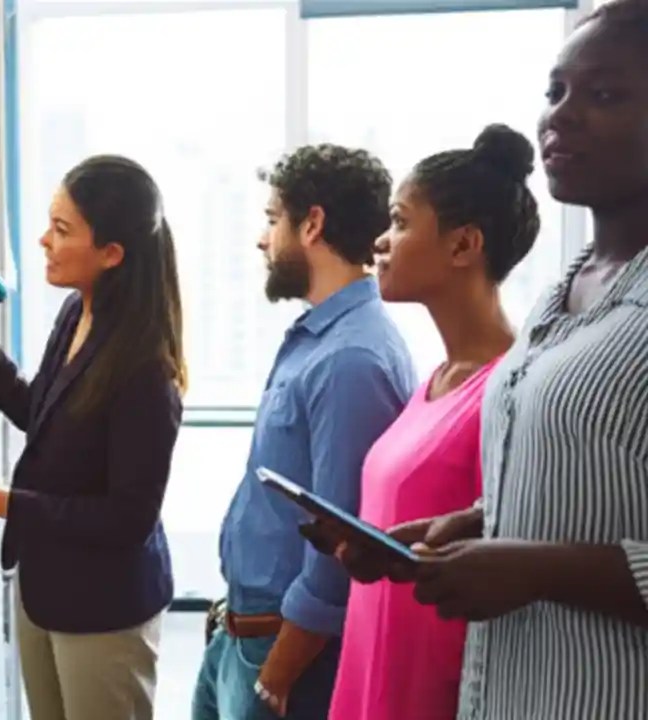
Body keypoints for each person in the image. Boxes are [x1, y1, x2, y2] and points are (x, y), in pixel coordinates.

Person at [332, 2, 648, 718]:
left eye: (603, 96)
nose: (560, 118)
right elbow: (587, 484)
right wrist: (470, 526)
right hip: (508, 691)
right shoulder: (563, 293)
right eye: (555, 92)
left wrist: (540, 570)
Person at [0, 154, 186, 720]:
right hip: (45, 587)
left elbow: (128, 519)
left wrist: (5, 504)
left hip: (104, 607)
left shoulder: (146, 369)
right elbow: (39, 414)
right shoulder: (77, 313)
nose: (44, 241)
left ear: (112, 254)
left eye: (63, 230)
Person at [305, 124, 541, 720]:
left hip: (434, 688)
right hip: (372, 669)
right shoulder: (433, 383)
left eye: (401, 222)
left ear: (464, 245)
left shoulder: (511, 389)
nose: (381, 242)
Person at [192, 144, 415, 720]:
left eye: (272, 219)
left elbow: (340, 540)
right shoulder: (319, 340)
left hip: (283, 652)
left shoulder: (353, 359)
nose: (263, 239)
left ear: (312, 224)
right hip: (239, 633)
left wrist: (278, 673)